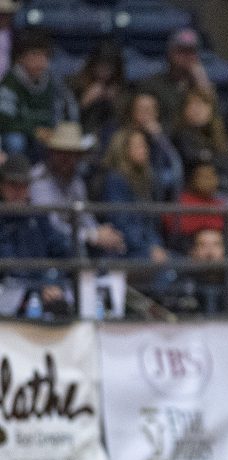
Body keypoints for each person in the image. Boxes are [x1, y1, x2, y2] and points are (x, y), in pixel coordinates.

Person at [29, 121, 126, 258]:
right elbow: (50, 225)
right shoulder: (39, 179)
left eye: (73, 154)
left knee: (114, 243)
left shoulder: (75, 181)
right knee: (71, 246)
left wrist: (99, 232)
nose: (67, 160)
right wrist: (91, 235)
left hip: (72, 237)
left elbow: (84, 215)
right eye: (62, 153)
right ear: (51, 153)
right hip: (45, 241)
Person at [0, 153, 73, 318]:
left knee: (67, 291)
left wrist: (52, 280)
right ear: (2, 186)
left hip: (43, 284)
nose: (18, 191)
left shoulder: (38, 216)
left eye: (23, 185)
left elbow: (61, 248)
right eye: (13, 185)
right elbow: (10, 264)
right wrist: (40, 285)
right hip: (12, 290)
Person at [0, 28, 78, 162]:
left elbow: (60, 113)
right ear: (21, 58)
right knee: (16, 141)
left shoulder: (52, 82)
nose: (40, 61)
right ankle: (16, 171)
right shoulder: (10, 82)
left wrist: (52, 131)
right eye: (34, 55)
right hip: (19, 135)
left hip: (46, 134)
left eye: (44, 56)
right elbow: (5, 121)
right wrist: (34, 131)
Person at [99, 127, 169, 264]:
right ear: (123, 150)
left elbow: (150, 223)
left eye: (144, 145)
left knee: (183, 263)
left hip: (144, 246)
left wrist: (156, 245)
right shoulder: (115, 180)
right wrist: (149, 248)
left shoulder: (145, 180)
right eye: (138, 145)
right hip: (125, 250)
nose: (144, 149)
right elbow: (121, 223)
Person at [136, 27, 215, 132]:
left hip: (196, 142)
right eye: (182, 51)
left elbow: (214, 122)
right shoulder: (151, 85)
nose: (187, 57)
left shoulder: (200, 85)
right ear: (170, 52)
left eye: (191, 52)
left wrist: (203, 82)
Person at [67, 40, 127, 137]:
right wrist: (83, 102)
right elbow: (64, 119)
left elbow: (127, 121)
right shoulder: (75, 84)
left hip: (111, 139)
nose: (104, 72)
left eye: (109, 68)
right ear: (92, 65)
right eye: (101, 66)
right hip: (78, 136)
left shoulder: (123, 88)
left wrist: (115, 102)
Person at [0, 0, 17, 81]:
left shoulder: (16, 34)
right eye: (0, 14)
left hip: (8, 80)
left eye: (5, 14)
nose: (2, 18)